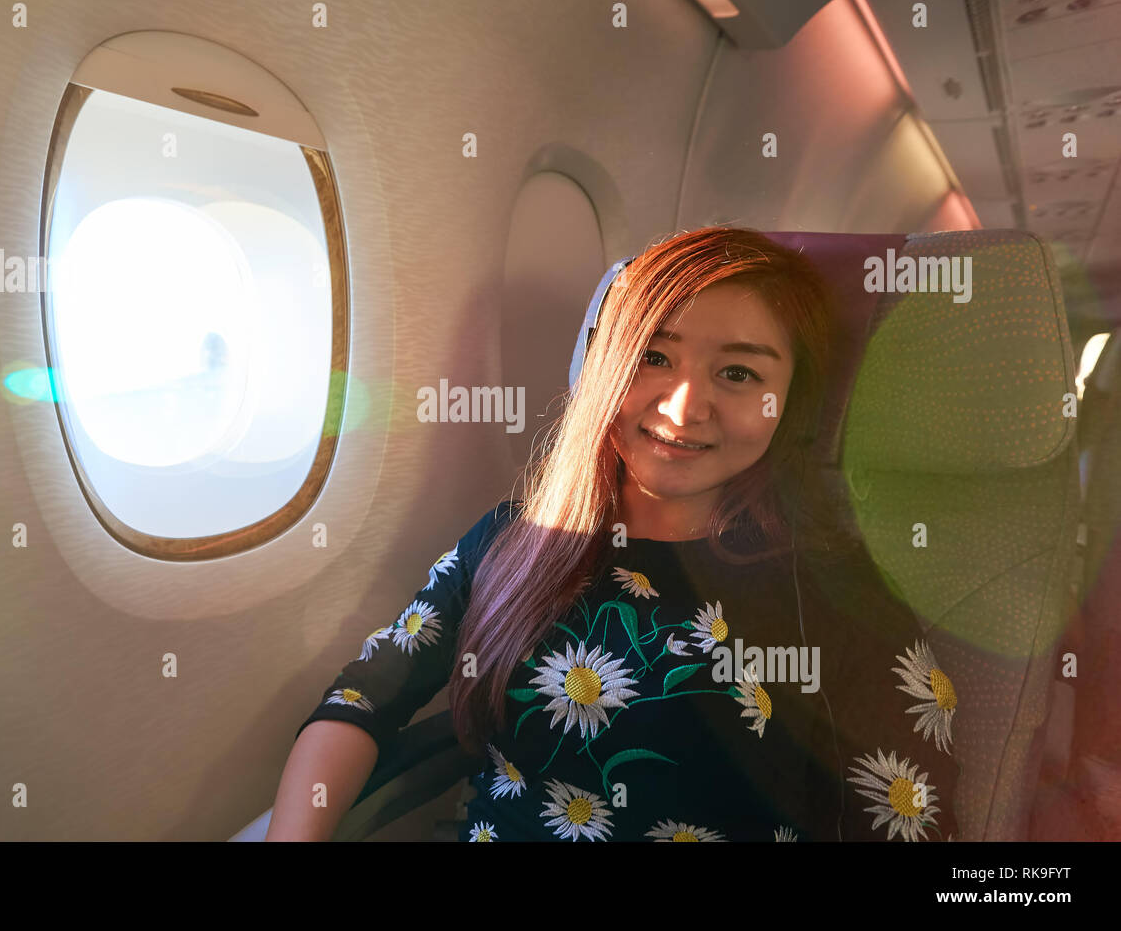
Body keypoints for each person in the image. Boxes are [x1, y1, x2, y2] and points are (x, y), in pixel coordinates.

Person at [268, 226, 961, 841]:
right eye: (655, 357)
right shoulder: (516, 538)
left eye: (740, 373)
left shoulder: (830, 587)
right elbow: (362, 698)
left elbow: (911, 813)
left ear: (794, 405)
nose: (685, 408)